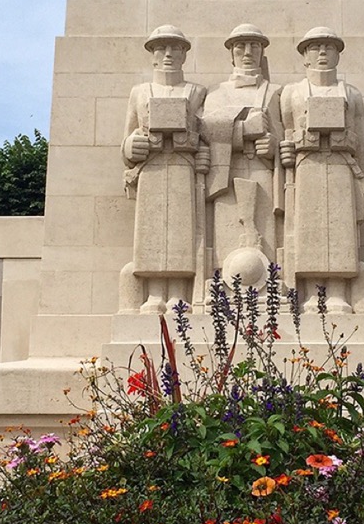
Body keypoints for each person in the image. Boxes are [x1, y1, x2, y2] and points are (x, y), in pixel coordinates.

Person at [280, 27, 364, 312]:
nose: (322, 52)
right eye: (315, 47)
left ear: (338, 54)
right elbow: (285, 129)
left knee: (341, 231)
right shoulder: (291, 93)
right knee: (308, 230)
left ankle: (337, 293)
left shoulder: (352, 94)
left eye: (328, 47)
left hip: (341, 167)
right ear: (304, 56)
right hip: (307, 167)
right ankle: (312, 294)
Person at [120, 25, 209, 313]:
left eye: (175, 48)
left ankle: (178, 293)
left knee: (182, 231)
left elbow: (208, 133)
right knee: (151, 232)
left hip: (183, 168)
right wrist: (130, 146)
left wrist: (203, 152)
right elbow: (128, 136)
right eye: (161, 48)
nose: (168, 53)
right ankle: (154, 293)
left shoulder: (197, 92)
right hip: (152, 169)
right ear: (153, 54)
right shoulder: (139, 92)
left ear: (184, 54)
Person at [201, 24, 282, 290]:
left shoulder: (275, 92)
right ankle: (222, 289)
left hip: (262, 169)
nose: (247, 52)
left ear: (262, 51)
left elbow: (286, 139)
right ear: (231, 53)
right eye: (240, 46)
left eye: (254, 46)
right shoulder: (216, 93)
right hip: (227, 172)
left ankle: (267, 287)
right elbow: (207, 131)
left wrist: (274, 147)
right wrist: (243, 131)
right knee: (227, 234)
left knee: (265, 234)